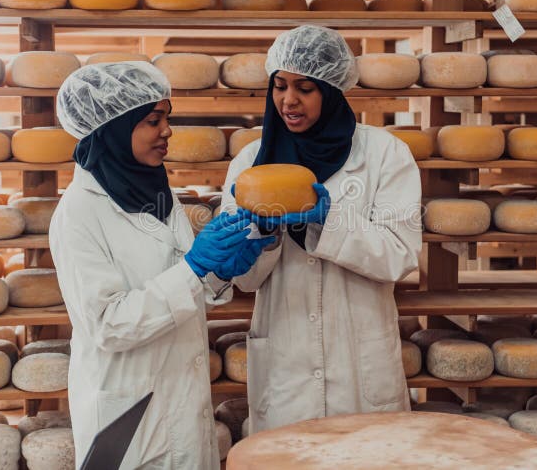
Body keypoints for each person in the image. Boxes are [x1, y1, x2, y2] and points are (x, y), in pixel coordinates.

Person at [50, 61, 274, 469]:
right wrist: (194, 267)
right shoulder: (78, 213)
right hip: (129, 413)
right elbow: (109, 324)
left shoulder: (153, 189)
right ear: (115, 129)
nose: (168, 130)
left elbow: (183, 280)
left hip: (181, 398)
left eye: (166, 118)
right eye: (154, 120)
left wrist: (220, 271)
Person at [221, 25, 423, 434]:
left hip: (360, 368)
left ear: (331, 90)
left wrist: (328, 223)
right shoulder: (250, 163)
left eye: (305, 88)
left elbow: (399, 256)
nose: (288, 100)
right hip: (285, 368)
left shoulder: (385, 154)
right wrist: (265, 236)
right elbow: (244, 279)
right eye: (279, 86)